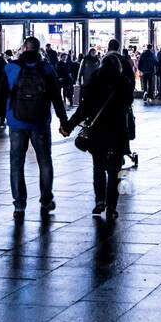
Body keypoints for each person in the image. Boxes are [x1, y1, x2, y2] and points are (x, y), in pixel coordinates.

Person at [64, 39, 134, 218]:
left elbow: (84, 109)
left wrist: (69, 125)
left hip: (98, 133)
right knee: (115, 171)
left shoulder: (95, 83)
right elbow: (128, 104)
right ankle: (112, 206)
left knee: (98, 168)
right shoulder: (123, 84)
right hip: (117, 132)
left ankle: (99, 202)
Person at [6, 36, 69, 220]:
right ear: (39, 49)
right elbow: (57, 97)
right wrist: (63, 121)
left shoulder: (11, 68)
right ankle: (46, 199)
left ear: (23, 48)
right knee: (44, 160)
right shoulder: (46, 69)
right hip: (40, 122)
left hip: (17, 123)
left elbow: (1, 94)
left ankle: (19, 205)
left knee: (17, 164)